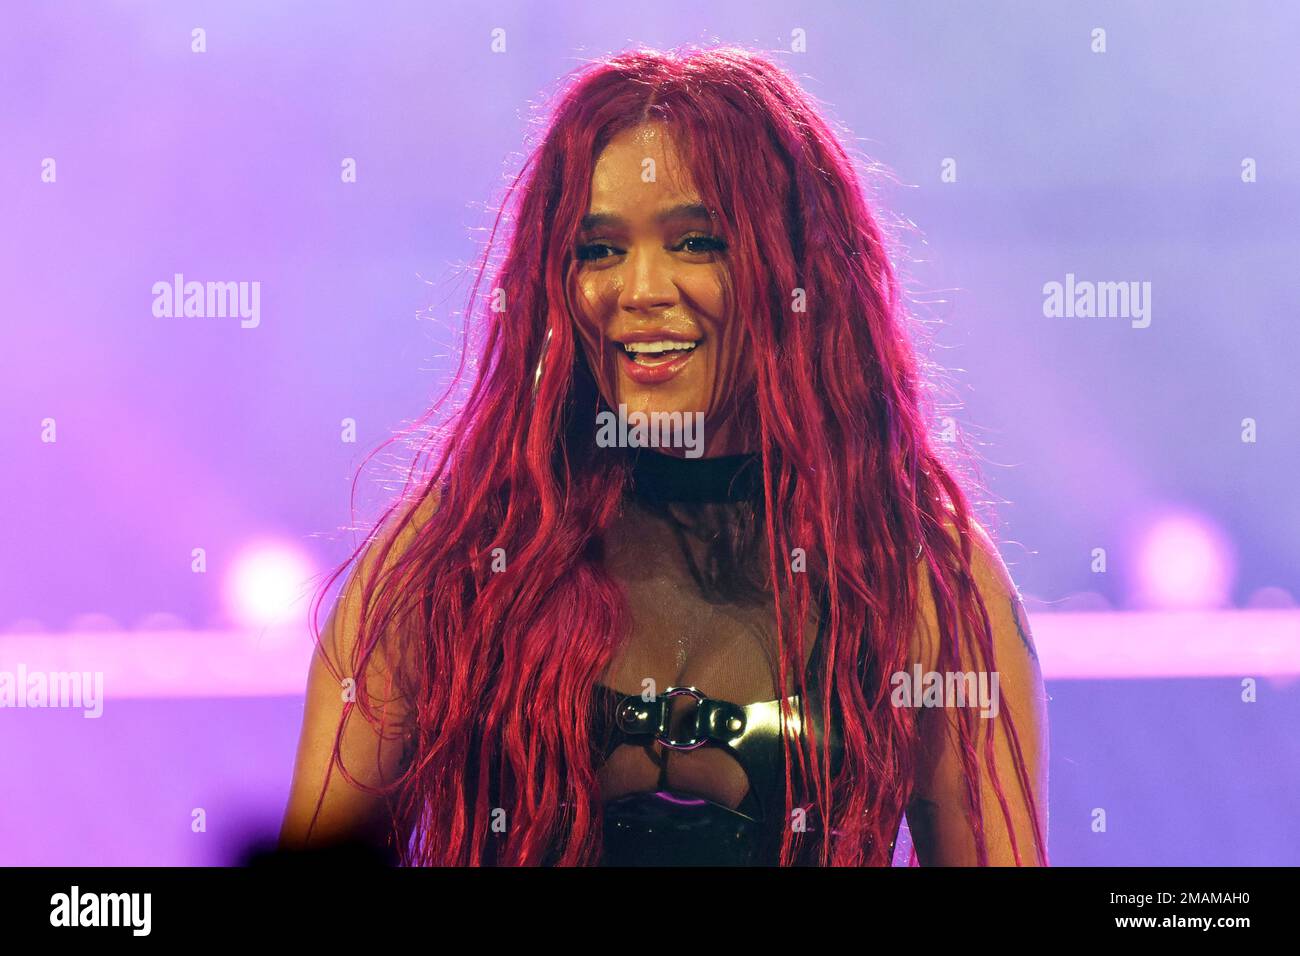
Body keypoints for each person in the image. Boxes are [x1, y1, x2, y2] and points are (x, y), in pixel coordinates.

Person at [279, 45, 1049, 866]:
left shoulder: (924, 578)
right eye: (598, 251)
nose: (639, 289)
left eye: (695, 242)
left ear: (798, 270)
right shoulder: (452, 558)